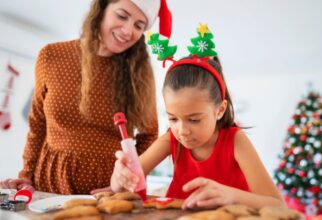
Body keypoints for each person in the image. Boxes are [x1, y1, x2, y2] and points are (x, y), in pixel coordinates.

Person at [0, 0, 173, 195]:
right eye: (122, 16)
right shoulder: (51, 56)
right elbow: (37, 123)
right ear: (101, 8)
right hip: (48, 184)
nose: (127, 30)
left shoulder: (140, 75)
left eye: (138, 26)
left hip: (107, 192)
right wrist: (26, 175)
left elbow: (149, 136)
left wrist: (127, 178)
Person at [110, 25, 285, 209]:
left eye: (194, 119)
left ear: (219, 110)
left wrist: (230, 194)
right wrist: (119, 177)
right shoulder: (171, 139)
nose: (182, 131)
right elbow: (123, 185)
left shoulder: (235, 141)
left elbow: (277, 205)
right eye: (173, 119)